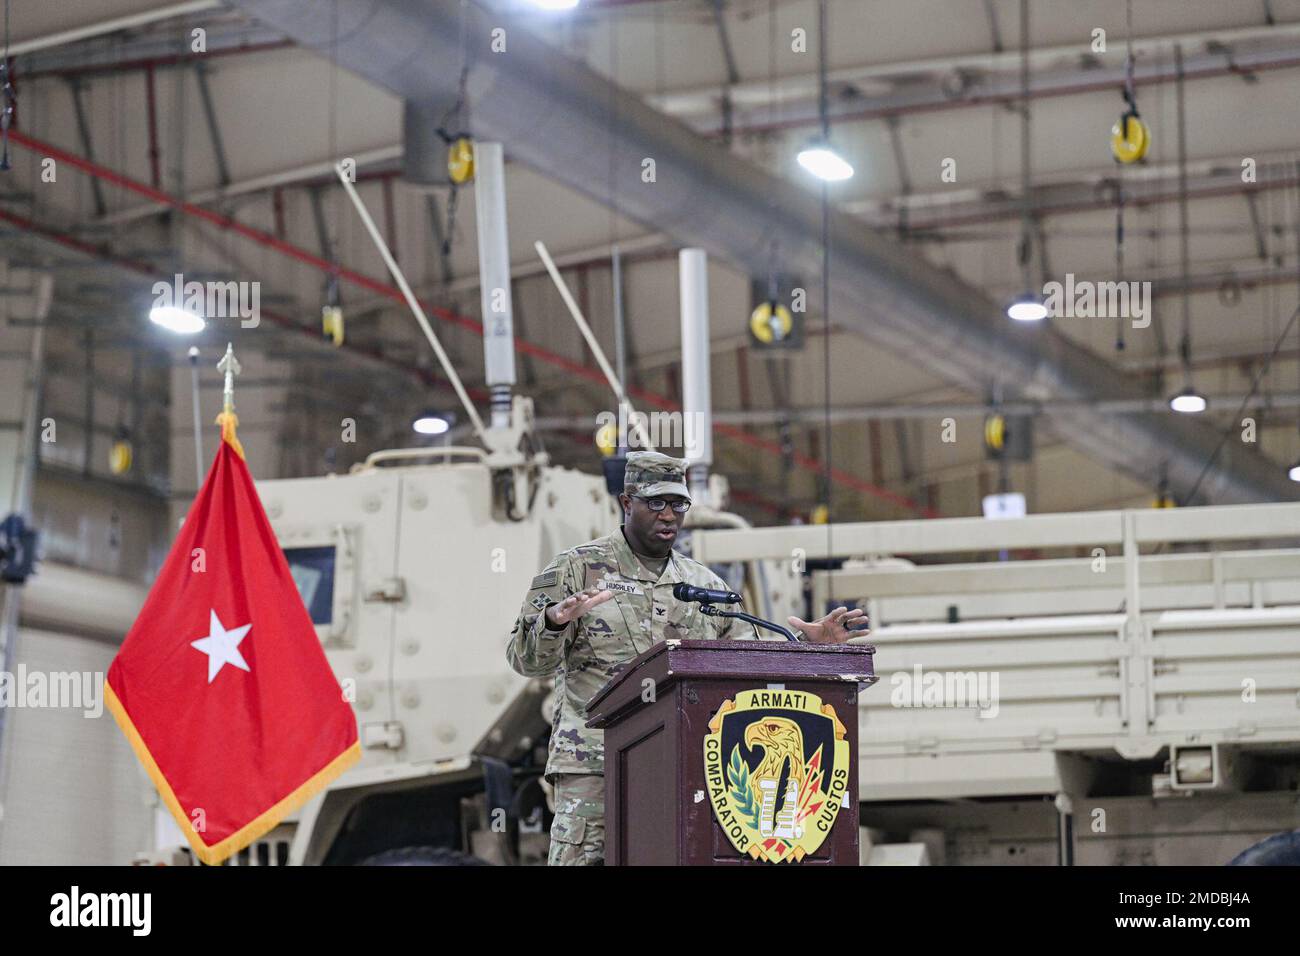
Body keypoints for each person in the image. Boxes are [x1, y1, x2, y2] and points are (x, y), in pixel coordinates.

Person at [506, 450, 868, 865]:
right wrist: (553, 621)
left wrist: (810, 650)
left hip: (682, 768)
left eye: (678, 504)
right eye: (655, 503)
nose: (668, 516)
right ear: (626, 503)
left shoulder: (703, 584)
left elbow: (748, 672)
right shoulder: (577, 568)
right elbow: (525, 661)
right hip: (594, 764)